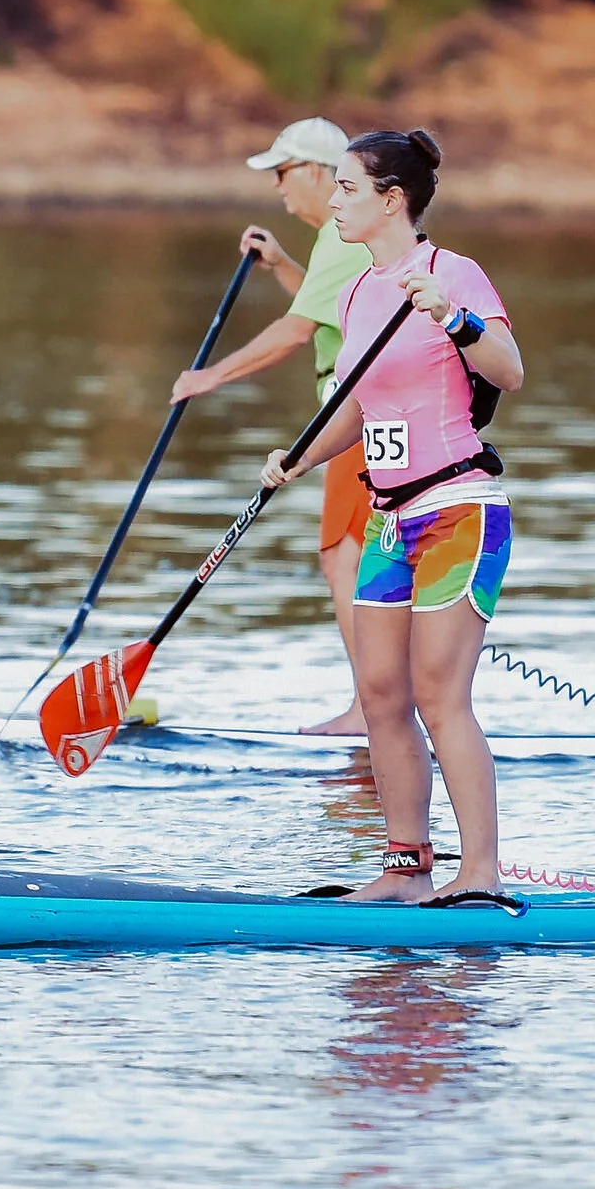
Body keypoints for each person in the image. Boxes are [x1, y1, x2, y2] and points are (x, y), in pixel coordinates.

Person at [260, 126, 523, 901]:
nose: (334, 200)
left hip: (458, 511)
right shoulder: (355, 290)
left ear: (390, 199)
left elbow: (509, 371)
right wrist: (299, 457)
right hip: (388, 519)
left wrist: (452, 317)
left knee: (441, 696)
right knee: (380, 693)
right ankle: (405, 870)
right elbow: (356, 405)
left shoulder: (454, 273)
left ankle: (480, 873)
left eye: (346, 187)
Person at [169, 114, 373, 736]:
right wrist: (282, 262)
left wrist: (211, 376)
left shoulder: (343, 237)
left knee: (345, 559)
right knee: (356, 561)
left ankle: (370, 713)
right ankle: (380, 707)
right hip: (368, 420)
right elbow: (320, 305)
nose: (280, 190)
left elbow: (297, 330)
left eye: (284, 174)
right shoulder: (345, 237)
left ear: (317, 172)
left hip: (356, 422)